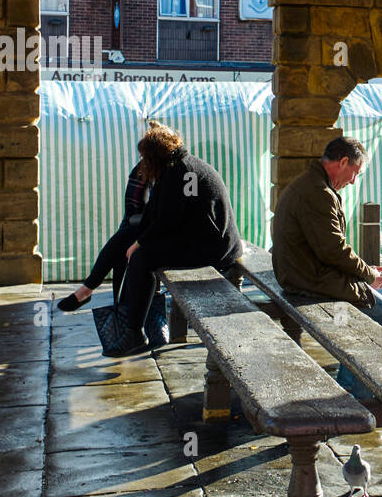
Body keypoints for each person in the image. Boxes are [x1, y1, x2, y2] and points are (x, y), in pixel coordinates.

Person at [273, 136, 382, 400]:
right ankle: (358, 395)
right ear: (343, 162)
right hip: (309, 281)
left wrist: (363, 270)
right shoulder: (318, 193)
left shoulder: (309, 185)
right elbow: (333, 250)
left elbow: (328, 247)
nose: (354, 181)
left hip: (300, 274)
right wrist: (369, 274)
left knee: (359, 316)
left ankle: (349, 385)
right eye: (355, 172)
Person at [103, 122, 243, 356]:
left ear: (154, 156)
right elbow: (156, 213)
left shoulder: (182, 172)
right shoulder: (178, 167)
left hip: (213, 247)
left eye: (145, 158)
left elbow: (167, 220)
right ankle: (133, 327)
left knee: (142, 257)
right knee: (137, 249)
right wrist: (136, 239)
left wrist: (139, 244)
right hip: (203, 239)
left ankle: (134, 333)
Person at [57, 160, 150, 310]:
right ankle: (119, 309)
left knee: (125, 242)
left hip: (158, 231)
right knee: (123, 247)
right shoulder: (141, 169)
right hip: (140, 227)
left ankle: (90, 289)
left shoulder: (169, 171)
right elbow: (131, 209)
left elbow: (162, 215)